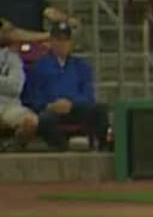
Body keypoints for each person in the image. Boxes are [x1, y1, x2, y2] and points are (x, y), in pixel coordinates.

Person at [24, 22, 110, 150]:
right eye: (58, 40)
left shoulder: (81, 66)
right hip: (52, 111)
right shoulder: (39, 67)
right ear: (52, 42)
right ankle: (62, 148)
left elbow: (88, 95)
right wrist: (49, 105)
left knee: (100, 111)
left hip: (76, 108)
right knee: (45, 119)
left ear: (71, 43)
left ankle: (103, 148)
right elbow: (32, 96)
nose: (62, 44)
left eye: (65, 40)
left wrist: (71, 103)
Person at [0, 42, 39, 150]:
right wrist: (6, 82)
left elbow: (16, 87)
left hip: (10, 105)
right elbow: (10, 85)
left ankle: (12, 146)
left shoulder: (12, 58)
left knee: (31, 122)